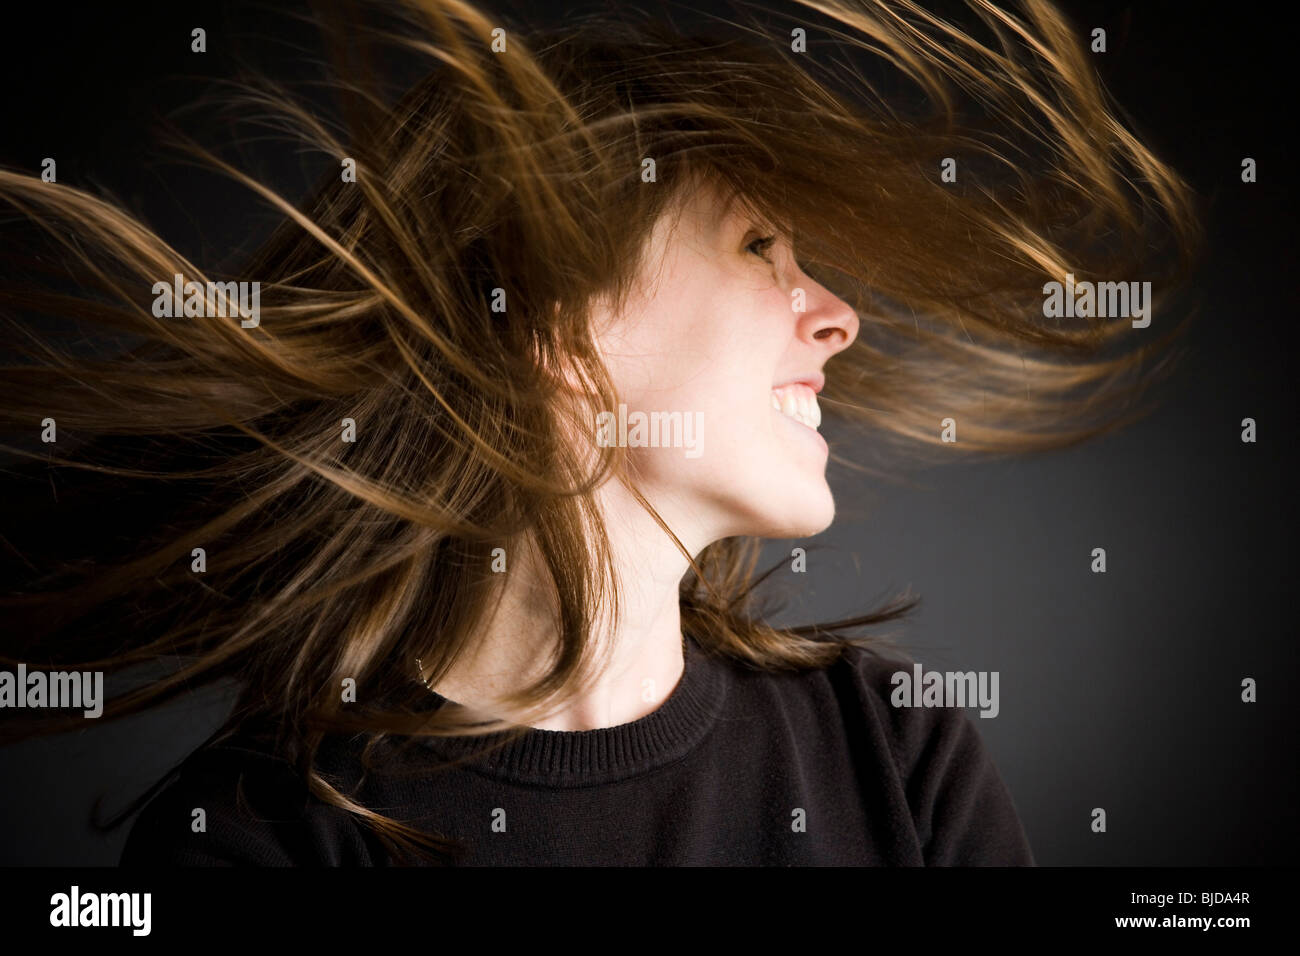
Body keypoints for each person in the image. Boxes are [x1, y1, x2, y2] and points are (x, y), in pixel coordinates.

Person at [0, 0, 1201, 865]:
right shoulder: (268, 837)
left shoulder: (894, 749)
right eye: (756, 250)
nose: (837, 317)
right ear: (560, 334)